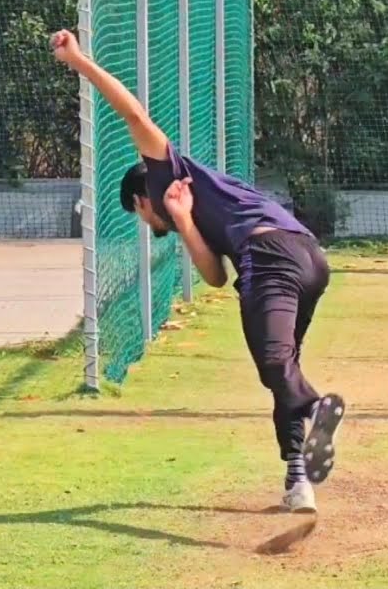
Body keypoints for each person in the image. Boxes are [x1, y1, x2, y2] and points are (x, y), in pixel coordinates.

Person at [50, 29, 343, 514]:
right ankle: (298, 480)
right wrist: (184, 221)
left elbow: (133, 114)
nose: (149, 223)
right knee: (281, 369)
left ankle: (314, 409)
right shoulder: (189, 205)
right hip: (308, 258)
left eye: (142, 216)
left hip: (271, 256)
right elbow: (215, 278)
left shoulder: (167, 171)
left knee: (276, 367)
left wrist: (78, 61)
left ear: (144, 200)